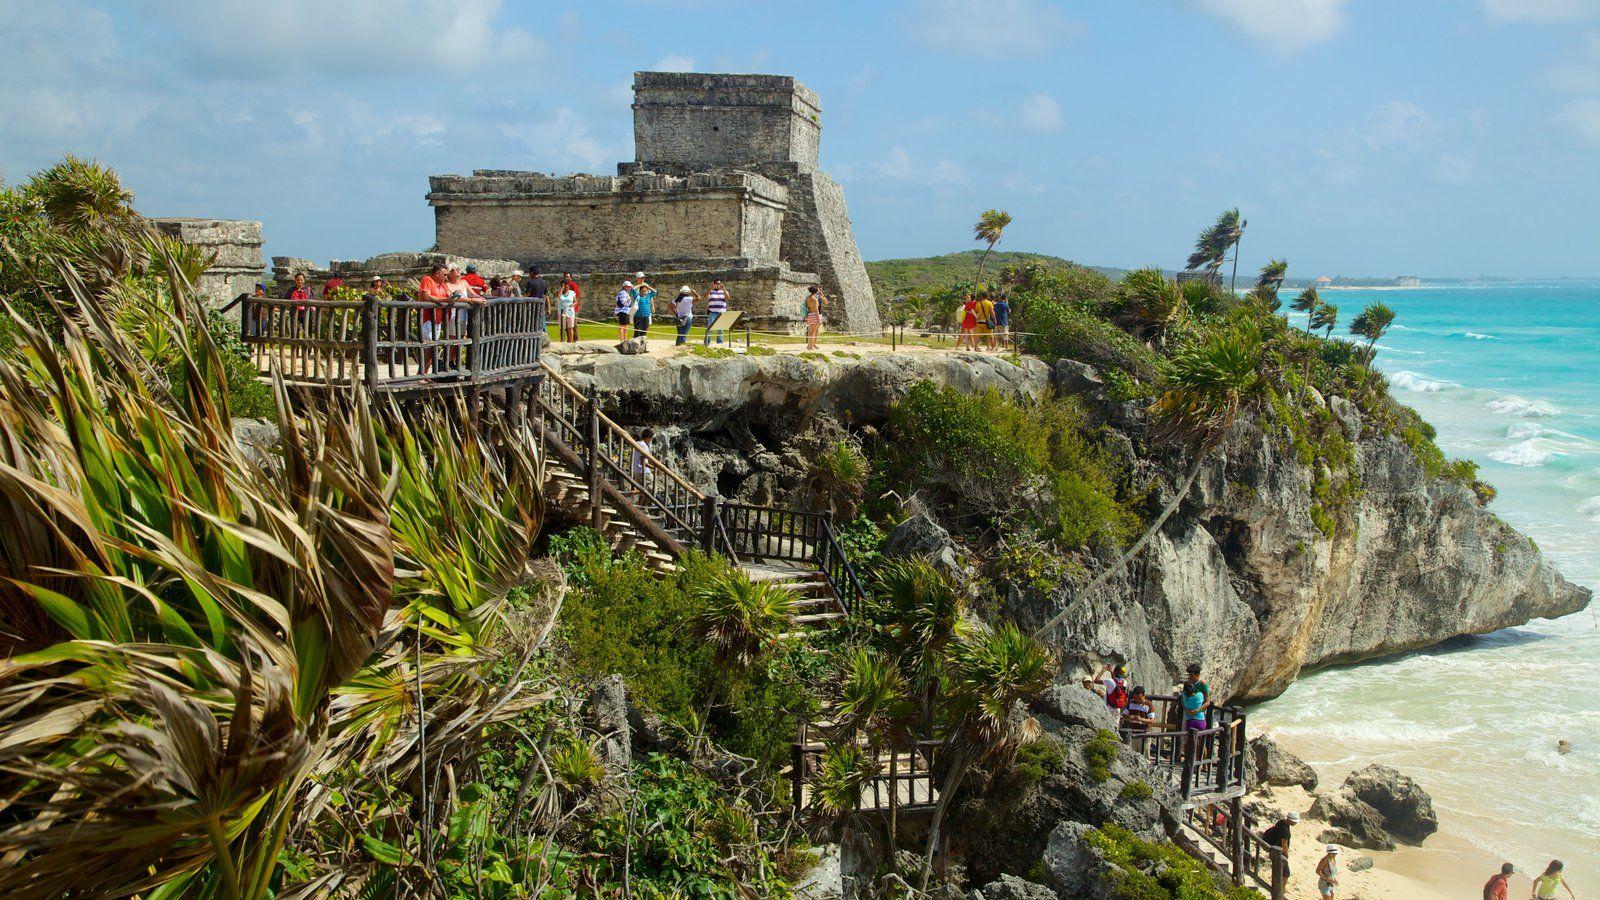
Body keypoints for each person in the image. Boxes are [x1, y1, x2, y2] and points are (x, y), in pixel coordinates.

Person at [417, 264, 452, 373]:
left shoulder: (443, 285)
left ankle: (424, 373)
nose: (446, 277)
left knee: (433, 347)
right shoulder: (427, 279)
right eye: (444, 274)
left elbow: (449, 296)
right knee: (430, 347)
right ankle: (422, 373)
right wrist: (442, 300)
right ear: (437, 273)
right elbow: (426, 297)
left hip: (438, 319)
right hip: (427, 318)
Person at [704, 279, 730, 345]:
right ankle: (707, 342)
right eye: (716, 283)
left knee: (720, 329)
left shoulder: (724, 292)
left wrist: (724, 289)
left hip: (721, 312)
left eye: (719, 283)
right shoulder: (711, 291)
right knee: (710, 328)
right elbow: (705, 296)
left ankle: (720, 342)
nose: (718, 285)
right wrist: (710, 289)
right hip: (712, 312)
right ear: (714, 284)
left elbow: (728, 298)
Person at [631, 427, 655, 493]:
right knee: (651, 488)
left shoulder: (637, 443)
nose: (652, 439)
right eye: (651, 438)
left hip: (636, 470)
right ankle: (635, 491)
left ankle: (640, 503)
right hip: (643, 471)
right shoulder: (644, 446)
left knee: (643, 489)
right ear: (648, 437)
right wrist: (654, 468)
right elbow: (643, 462)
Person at [805, 285, 825, 350]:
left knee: (810, 332)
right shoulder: (815, 299)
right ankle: (811, 347)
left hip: (809, 315)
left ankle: (809, 345)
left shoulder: (808, 298)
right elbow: (816, 309)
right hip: (814, 315)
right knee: (813, 332)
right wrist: (818, 319)